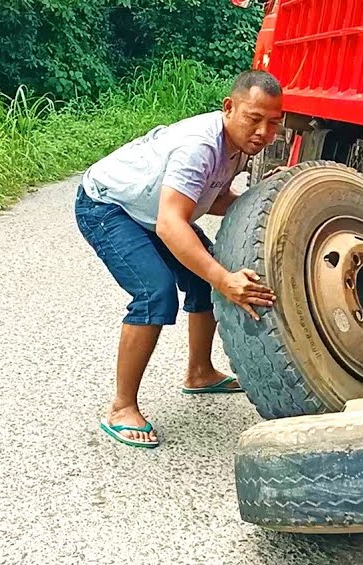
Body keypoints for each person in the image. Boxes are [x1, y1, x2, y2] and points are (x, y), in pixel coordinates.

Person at [75, 70, 282, 448]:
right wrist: (225, 280)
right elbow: (172, 224)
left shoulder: (238, 148)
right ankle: (121, 407)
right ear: (229, 107)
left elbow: (209, 197)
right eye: (254, 119)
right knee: (156, 293)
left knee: (204, 278)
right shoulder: (199, 147)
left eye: (273, 124)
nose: (263, 132)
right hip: (107, 206)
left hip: (153, 212)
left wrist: (264, 200)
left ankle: (200, 372)